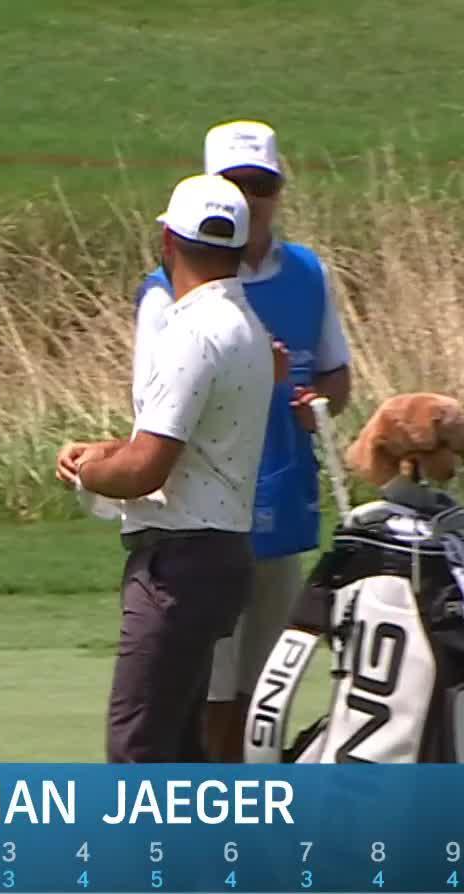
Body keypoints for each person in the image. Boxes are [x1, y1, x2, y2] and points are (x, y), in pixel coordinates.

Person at [57, 174, 274, 894]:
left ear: (167, 242)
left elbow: (150, 463)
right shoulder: (248, 326)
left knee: (141, 745)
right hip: (218, 555)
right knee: (182, 751)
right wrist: (103, 455)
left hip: (180, 562)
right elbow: (170, 443)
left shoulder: (192, 330)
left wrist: (87, 469)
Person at [134, 120, 355, 768]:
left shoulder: (308, 272)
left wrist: (316, 402)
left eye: (262, 185)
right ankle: (221, 823)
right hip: (207, 516)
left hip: (284, 504)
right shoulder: (166, 290)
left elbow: (336, 378)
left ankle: (254, 817)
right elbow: (156, 409)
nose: (252, 199)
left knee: (266, 692)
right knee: (212, 693)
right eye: (236, 185)